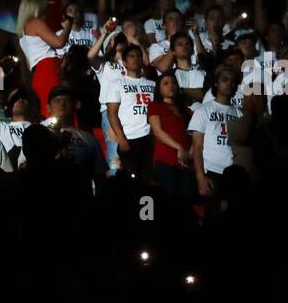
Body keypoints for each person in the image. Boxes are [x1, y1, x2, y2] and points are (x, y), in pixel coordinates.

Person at [188, 65, 245, 200]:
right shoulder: (203, 110)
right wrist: (200, 178)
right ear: (216, 83)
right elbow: (197, 147)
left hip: (235, 172)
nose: (229, 83)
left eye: (233, 81)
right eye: (225, 79)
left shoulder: (240, 113)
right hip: (212, 172)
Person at [103, 44, 156, 182]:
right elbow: (111, 113)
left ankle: (148, 204)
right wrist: (121, 139)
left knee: (148, 180)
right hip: (129, 138)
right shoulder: (117, 83)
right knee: (131, 180)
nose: (136, 59)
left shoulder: (153, 85)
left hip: (150, 138)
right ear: (125, 62)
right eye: (131, 56)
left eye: (138, 56)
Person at [16, 0, 73, 116]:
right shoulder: (36, 23)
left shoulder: (23, 33)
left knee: (48, 112)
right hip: (49, 69)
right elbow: (59, 43)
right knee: (59, 110)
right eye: (45, 8)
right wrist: (67, 27)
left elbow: (28, 64)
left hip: (38, 74)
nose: (47, 11)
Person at [147, 72, 194, 201]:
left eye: (173, 83)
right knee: (168, 200)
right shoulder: (155, 106)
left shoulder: (187, 110)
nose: (171, 86)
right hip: (165, 159)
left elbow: (195, 135)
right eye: (166, 83)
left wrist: (189, 154)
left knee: (186, 201)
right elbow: (158, 132)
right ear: (159, 89)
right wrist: (179, 148)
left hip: (186, 161)